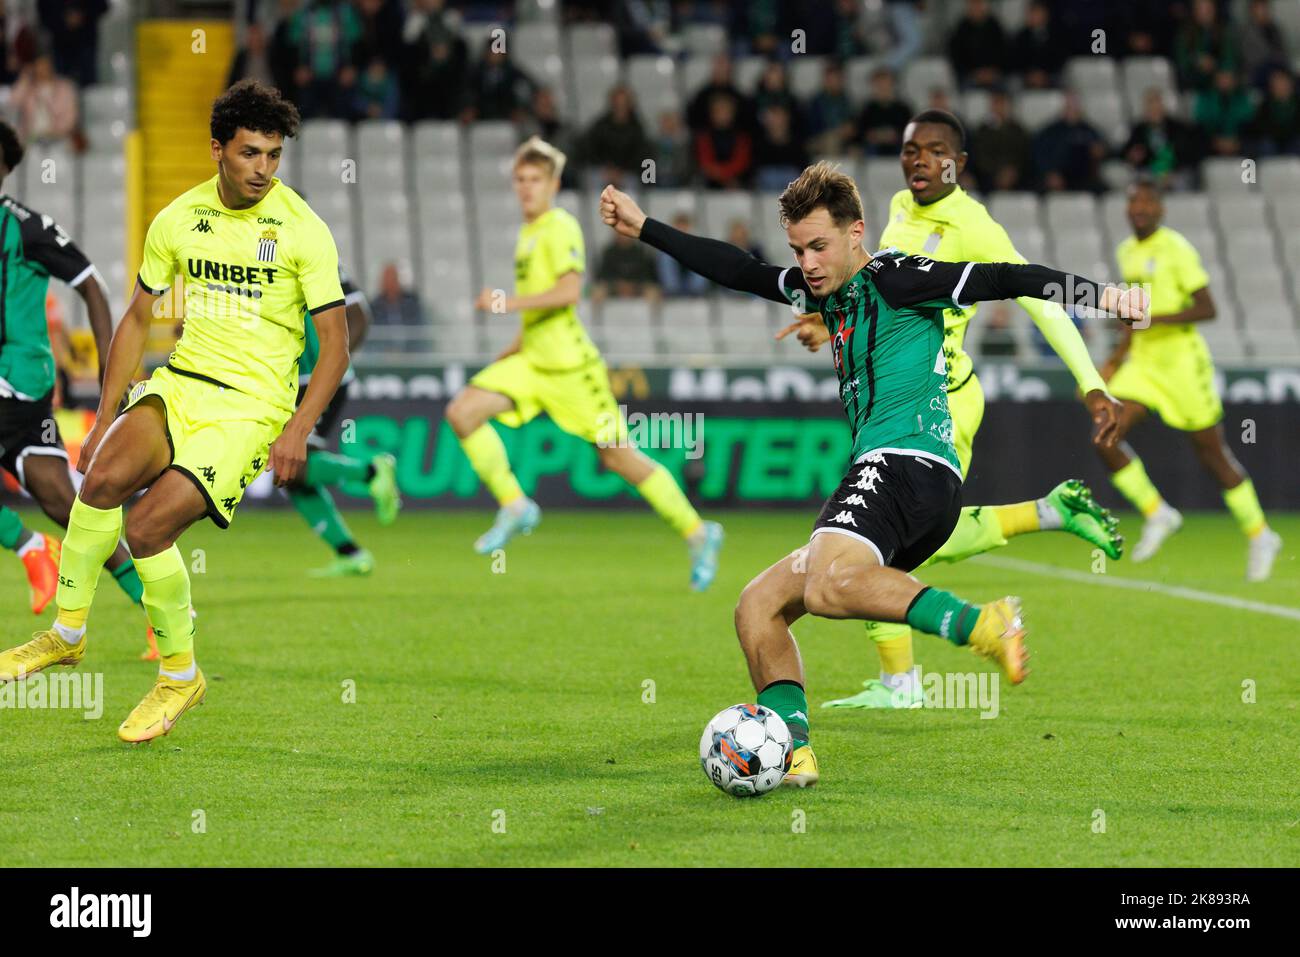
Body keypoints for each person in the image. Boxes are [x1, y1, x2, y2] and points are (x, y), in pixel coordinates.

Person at [599, 163, 1147, 786]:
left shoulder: (899, 276)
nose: (806, 262)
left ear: (857, 232)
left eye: (819, 246)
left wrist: (1107, 298)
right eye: (798, 249)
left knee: (829, 588)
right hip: (895, 478)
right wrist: (645, 228)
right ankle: (794, 749)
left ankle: (982, 623)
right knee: (758, 606)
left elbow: (1009, 278)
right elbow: (739, 270)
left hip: (907, 467)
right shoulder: (826, 290)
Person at [0, 80, 350, 743]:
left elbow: (336, 342)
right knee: (98, 480)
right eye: (250, 153)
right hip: (183, 381)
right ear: (217, 148)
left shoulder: (302, 229)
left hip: (251, 406)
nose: (264, 170)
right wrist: (105, 414)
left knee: (148, 526)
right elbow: (136, 319)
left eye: (274, 156)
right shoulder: (178, 219)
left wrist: (300, 426)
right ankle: (67, 634)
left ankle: (179, 675)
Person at [814, 110, 1125, 711]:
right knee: (893, 537)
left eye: (934, 151)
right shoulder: (902, 209)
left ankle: (902, 683)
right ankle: (1049, 511)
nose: (919, 161)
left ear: (959, 161)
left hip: (946, 398)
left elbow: (1038, 299)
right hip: (899, 391)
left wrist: (1090, 383)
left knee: (879, 541)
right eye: (909, 150)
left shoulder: (974, 225)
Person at [445, 138, 723, 589]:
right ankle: (516, 506)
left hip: (573, 370)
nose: (526, 188)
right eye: (520, 180)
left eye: (536, 179)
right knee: (462, 411)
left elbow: (568, 293)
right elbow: (540, 311)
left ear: (553, 184)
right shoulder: (527, 233)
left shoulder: (560, 226)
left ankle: (699, 532)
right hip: (532, 362)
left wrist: (504, 303)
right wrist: (511, 349)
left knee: (618, 457)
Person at [1097, 179, 1282, 581]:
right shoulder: (1127, 250)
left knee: (1212, 455)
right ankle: (1157, 513)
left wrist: (1154, 319)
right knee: (1106, 432)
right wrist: (1114, 360)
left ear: (1161, 209)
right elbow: (1132, 314)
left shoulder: (1176, 248)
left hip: (1182, 362)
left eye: (1147, 202)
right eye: (1133, 202)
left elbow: (1207, 308)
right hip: (1144, 362)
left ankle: (1260, 533)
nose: (1139, 209)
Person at [0, 120, 145, 629]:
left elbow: (90, 282)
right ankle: (160, 612)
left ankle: (31, 548)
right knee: (67, 503)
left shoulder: (26, 226)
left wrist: (112, 368)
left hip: (15, 373)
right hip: (19, 391)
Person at [284, 264, 400, 578]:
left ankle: (372, 470)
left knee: (293, 466)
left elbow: (359, 311)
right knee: (288, 472)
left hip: (317, 379)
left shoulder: (309, 246)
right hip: (283, 381)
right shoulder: (244, 250)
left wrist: (334, 360)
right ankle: (351, 554)